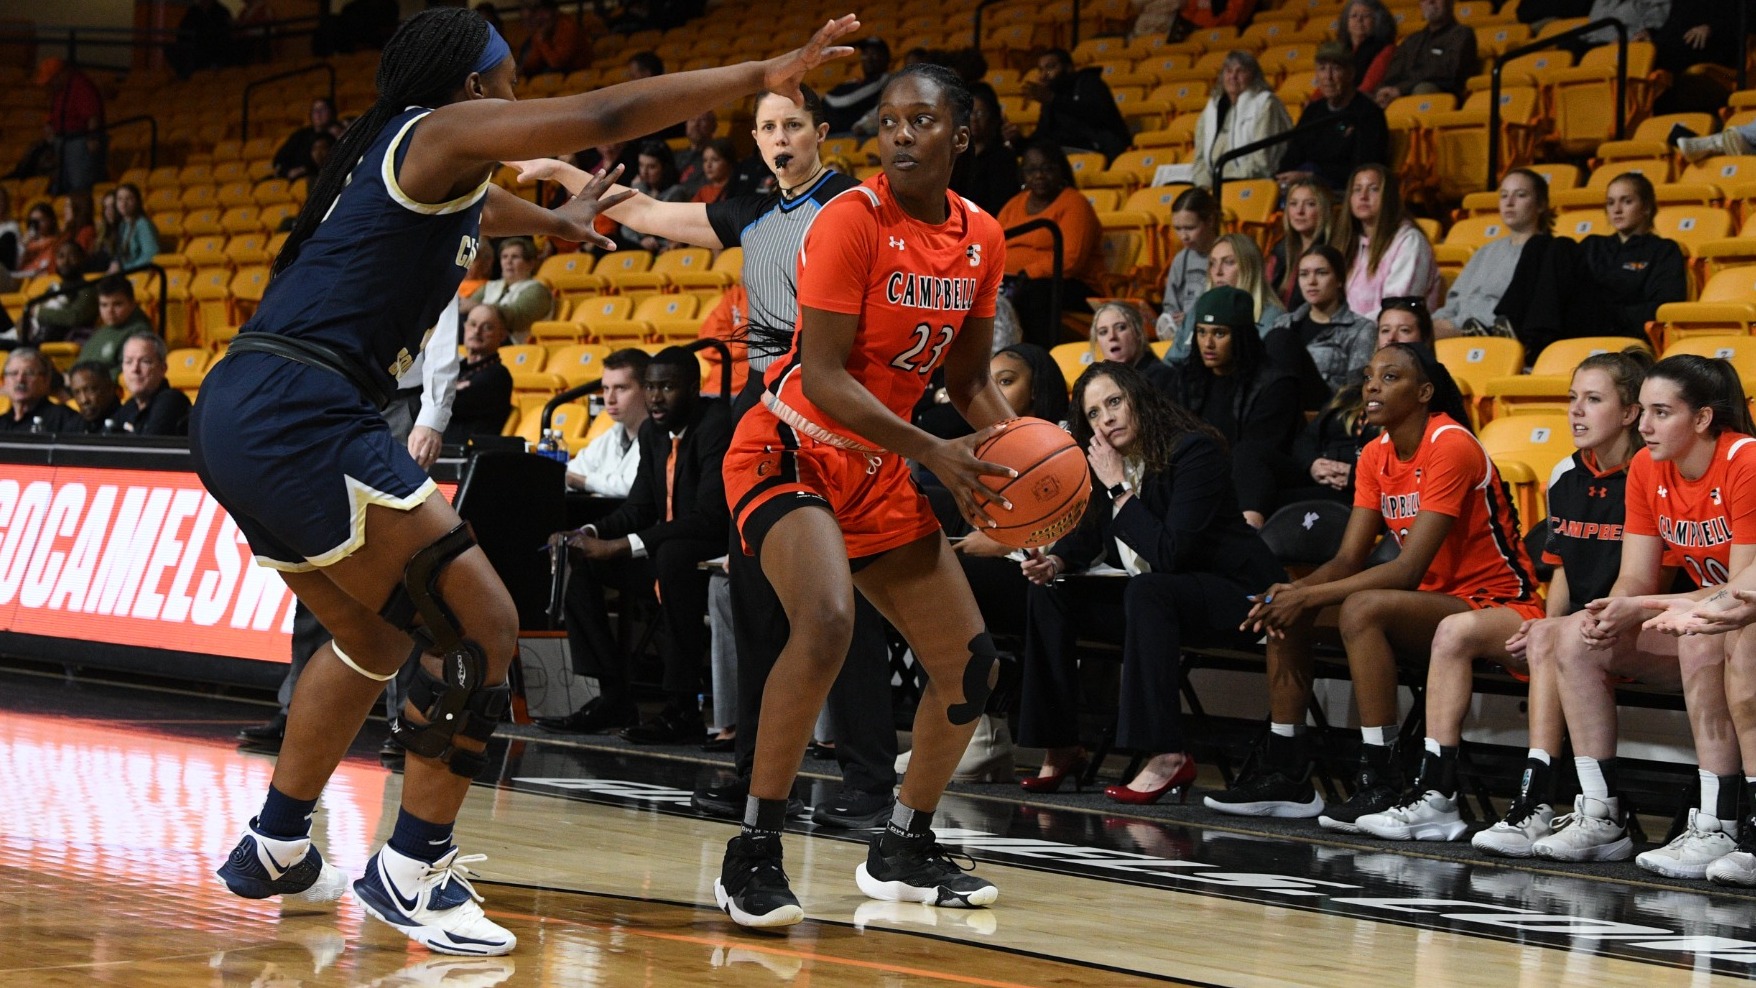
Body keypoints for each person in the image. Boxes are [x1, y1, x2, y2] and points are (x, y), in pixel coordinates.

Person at [188, 6, 858, 957]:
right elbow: (606, 112)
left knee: (373, 638)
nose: (516, 87)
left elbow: (482, 211)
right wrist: (763, 71)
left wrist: (556, 221)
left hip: (240, 407)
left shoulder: (401, 152)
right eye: (506, 73)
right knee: (481, 628)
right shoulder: (442, 128)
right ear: (472, 86)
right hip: (304, 407)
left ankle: (277, 843)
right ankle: (413, 867)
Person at [514, 81, 904, 834]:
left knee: (842, 603)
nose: (780, 138)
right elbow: (647, 212)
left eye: (793, 124)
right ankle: (757, 775)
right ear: (755, 140)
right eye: (768, 127)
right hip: (763, 416)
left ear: (821, 132)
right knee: (754, 607)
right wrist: (564, 174)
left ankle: (868, 782)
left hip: (836, 412)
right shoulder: (751, 212)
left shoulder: (853, 205)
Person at [713, 64, 1010, 929]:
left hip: (879, 465)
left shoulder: (984, 237)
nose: (902, 134)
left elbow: (969, 383)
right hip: (789, 446)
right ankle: (754, 850)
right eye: (888, 121)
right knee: (827, 622)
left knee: (971, 666)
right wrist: (935, 453)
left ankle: (903, 845)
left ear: (962, 136)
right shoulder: (850, 218)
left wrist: (1025, 463)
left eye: (922, 120)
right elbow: (825, 377)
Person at [1207, 343, 1540, 830]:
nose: (1371, 387)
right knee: (1287, 607)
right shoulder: (1374, 454)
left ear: (1423, 392)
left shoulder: (1450, 444)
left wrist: (1308, 593)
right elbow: (1347, 559)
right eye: (1368, 377)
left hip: (1498, 604)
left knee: (1360, 608)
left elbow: (1406, 570)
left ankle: (1381, 779)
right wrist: (1293, 593)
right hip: (1429, 605)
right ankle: (1285, 771)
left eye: (1390, 377)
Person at [1354, 349, 1650, 850]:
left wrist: (1559, 629)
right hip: (1573, 625)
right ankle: (1437, 794)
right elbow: (1561, 572)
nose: (1576, 410)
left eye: (1593, 400)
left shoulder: (1648, 474)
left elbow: (1647, 580)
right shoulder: (1565, 474)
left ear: (1628, 413)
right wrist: (1548, 623)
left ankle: (1546, 802)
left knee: (1557, 639)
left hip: (1632, 625)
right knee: (1467, 632)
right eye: (1572, 398)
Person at [1018, 360, 1285, 802]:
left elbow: (1171, 553)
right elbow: (1091, 532)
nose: (1107, 418)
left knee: (1148, 590)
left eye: (1114, 402)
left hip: (1241, 596)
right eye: (1094, 413)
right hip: (1161, 602)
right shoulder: (1110, 463)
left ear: (1138, 399)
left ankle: (1167, 755)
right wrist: (1057, 562)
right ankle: (1061, 744)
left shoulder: (1194, 451)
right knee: (1051, 595)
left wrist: (1118, 487)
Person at [1535, 355, 1754, 877]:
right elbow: (1636, 577)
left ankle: (1722, 824)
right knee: (1576, 638)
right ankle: (1600, 816)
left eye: (1661, 412)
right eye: (1644, 411)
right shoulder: (1646, 467)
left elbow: (1743, 589)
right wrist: (1617, 608)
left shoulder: (1744, 460)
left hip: (1739, 614)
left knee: (1705, 635)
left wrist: (1663, 606)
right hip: (1715, 615)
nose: (1646, 425)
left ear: (1701, 418)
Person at [544, 348, 731, 744]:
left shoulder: (716, 425)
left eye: (667, 387)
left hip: (714, 551)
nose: (656, 398)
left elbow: (710, 518)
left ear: (693, 389)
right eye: (650, 387)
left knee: (673, 556)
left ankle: (683, 710)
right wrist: (588, 532)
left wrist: (623, 546)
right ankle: (612, 696)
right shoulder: (653, 432)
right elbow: (641, 507)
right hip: (668, 550)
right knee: (582, 560)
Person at [1172, 287, 1305, 526]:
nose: (1208, 343)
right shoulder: (1188, 379)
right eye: (1201, 332)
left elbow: (1256, 457)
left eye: (1219, 333)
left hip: (1257, 489)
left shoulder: (1274, 384)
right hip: (1198, 481)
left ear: (1241, 335)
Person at [1432, 167, 1580, 358]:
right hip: (1455, 328)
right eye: (1504, 195)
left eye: (1520, 195)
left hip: (1489, 335)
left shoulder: (1547, 256)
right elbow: (1454, 302)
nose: (1509, 202)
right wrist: (1432, 324)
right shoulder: (1485, 250)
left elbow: (1514, 315)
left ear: (1541, 205)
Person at [997, 142, 1104, 348]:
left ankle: (1037, 356)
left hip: (1071, 285)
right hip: (1012, 282)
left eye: (1047, 168)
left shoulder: (1075, 203)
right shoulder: (1014, 204)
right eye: (1031, 170)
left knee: (1033, 294)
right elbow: (994, 244)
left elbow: (1071, 260)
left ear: (1060, 170)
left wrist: (1028, 273)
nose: (1039, 175)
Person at [1577, 172, 1688, 342]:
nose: (1617, 210)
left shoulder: (1664, 250)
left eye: (1627, 201)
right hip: (1582, 333)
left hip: (1631, 337)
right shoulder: (1591, 245)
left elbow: (1664, 306)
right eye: (1610, 202)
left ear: (1646, 207)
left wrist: (1609, 315)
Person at [1277, 44, 1390, 193]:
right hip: (1304, 189)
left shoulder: (1368, 114)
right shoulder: (1313, 111)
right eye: (1322, 69)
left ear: (1350, 74)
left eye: (1336, 69)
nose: (1328, 77)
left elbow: (1364, 169)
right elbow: (1292, 155)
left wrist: (1311, 176)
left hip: (1343, 191)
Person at [1270, 243, 1376, 398]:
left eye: (1321, 273)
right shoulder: (1284, 323)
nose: (1311, 281)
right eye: (1304, 274)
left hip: (1325, 406)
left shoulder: (1361, 329)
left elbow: (1356, 390)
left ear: (1339, 280)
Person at [1336, 163, 1440, 320]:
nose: (1363, 196)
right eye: (1357, 189)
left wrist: (1349, 328)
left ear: (1389, 196)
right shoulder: (1349, 242)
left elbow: (1398, 306)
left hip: (1390, 332)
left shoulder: (1410, 241)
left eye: (1373, 189)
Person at [1190, 51, 1293, 187]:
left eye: (1240, 71)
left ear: (1254, 76)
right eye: (1228, 71)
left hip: (1252, 184)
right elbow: (1200, 159)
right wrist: (1204, 186)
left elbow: (1262, 161)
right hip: (1214, 185)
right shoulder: (1212, 107)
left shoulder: (1265, 104)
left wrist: (1223, 183)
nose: (1233, 76)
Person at [1011, 49, 1130, 163]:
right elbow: (1043, 135)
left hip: (1099, 152)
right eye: (1041, 70)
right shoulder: (1050, 97)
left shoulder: (1089, 82)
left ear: (1068, 68)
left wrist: (1053, 99)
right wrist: (1018, 141)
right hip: (1064, 153)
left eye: (1050, 67)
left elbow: (1097, 115)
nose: (1043, 75)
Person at [564, 347, 648, 495]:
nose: (609, 399)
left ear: (647, 389)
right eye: (606, 389)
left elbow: (636, 487)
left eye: (620, 388)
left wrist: (586, 482)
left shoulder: (664, 438)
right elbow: (569, 474)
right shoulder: (610, 436)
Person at [1374, 0, 1478, 106]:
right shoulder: (1412, 40)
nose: (1430, 1)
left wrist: (1402, 89)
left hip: (1441, 95)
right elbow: (1392, 74)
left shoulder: (1461, 34)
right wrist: (1384, 91)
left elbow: (1445, 73)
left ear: (1450, 2)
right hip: (1403, 93)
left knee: (1423, 89)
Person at [1155, 187, 1223, 342]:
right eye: (1178, 229)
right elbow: (1170, 306)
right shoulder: (1181, 259)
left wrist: (1194, 318)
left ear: (1210, 221)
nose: (1183, 236)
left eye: (1190, 228)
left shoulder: (1229, 255)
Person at [442, 303, 513, 443]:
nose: (476, 331)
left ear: (502, 335)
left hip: (470, 451)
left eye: (487, 327)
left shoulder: (499, 376)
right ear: (464, 327)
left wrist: (443, 389)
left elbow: (448, 404)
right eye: (472, 324)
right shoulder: (456, 368)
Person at [464, 236, 552, 343]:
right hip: (482, 338)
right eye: (504, 257)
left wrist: (477, 307)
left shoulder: (538, 290)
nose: (508, 261)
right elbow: (465, 307)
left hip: (515, 344)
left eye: (515, 257)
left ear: (531, 263)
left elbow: (516, 317)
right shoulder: (490, 286)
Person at [949, 82, 1019, 217]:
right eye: (970, 113)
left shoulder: (1003, 158)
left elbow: (1001, 203)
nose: (974, 119)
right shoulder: (956, 155)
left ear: (993, 117)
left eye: (980, 113)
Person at [37, 58, 105, 194]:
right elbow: (54, 112)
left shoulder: (81, 86)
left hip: (78, 141)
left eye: (52, 80)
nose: (50, 84)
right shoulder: (59, 90)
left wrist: (92, 138)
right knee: (63, 184)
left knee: (78, 183)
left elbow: (92, 115)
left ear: (61, 74)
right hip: (62, 140)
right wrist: (49, 125)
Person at [1266, 178, 1335, 306]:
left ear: (1324, 210)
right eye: (1293, 204)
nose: (1299, 211)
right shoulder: (1280, 250)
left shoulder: (1332, 251)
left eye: (1310, 204)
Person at [115, 332, 192, 437]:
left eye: (145, 362)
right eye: (128, 362)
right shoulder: (130, 406)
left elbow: (146, 445)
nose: (135, 369)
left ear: (163, 368)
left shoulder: (172, 401)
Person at [1091, 301, 1175, 392]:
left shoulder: (1162, 377)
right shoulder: (1099, 384)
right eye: (1103, 332)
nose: (1112, 336)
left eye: (1121, 328)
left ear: (1138, 332)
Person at [79, 274, 155, 374]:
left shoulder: (139, 333)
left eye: (117, 304)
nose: (110, 311)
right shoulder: (101, 331)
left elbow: (128, 371)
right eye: (104, 305)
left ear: (132, 304)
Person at [27, 240, 98, 344]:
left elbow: (75, 317)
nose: (65, 261)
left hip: (59, 341)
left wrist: (38, 312)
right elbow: (33, 309)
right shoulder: (53, 288)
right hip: (33, 336)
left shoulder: (88, 290)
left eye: (71, 256)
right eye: (61, 256)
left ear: (82, 259)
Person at [0, 347, 81, 433]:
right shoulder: (2, 423)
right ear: (4, 381)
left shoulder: (64, 418)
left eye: (29, 373)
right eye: (13, 373)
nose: (20, 379)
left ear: (46, 380)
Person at [824, 37, 891, 134]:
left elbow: (846, 100)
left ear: (886, 58)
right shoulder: (857, 81)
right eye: (865, 54)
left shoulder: (888, 81)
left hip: (850, 134)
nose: (868, 59)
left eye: (874, 54)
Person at [273, 98, 347, 181]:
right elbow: (280, 158)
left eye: (323, 109)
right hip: (298, 179)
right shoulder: (301, 134)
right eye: (315, 110)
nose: (318, 114)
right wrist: (288, 172)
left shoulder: (339, 132)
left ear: (332, 112)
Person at [1337, 0, 1397, 96]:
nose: (1359, 20)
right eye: (1354, 16)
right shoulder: (1340, 50)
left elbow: (1368, 86)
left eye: (1366, 16)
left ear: (1378, 21)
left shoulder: (1386, 49)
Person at [518, 0, 591, 76]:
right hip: (558, 71)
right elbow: (534, 60)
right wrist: (521, 69)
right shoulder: (541, 30)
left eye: (545, 12)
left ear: (555, 12)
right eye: (538, 12)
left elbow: (557, 63)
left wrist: (542, 41)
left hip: (577, 73)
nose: (541, 17)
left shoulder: (567, 27)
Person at [106, 183, 160, 274]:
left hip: (138, 274)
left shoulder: (143, 224)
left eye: (129, 199)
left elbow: (151, 255)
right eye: (120, 199)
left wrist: (124, 269)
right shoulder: (122, 225)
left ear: (137, 201)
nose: (123, 203)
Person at [66, 360, 121, 434]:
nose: (84, 400)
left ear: (109, 388)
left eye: (90, 390)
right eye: (77, 393)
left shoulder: (127, 423)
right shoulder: (73, 428)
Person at [674, 110, 720, 195]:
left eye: (702, 120)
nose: (695, 124)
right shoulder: (676, 157)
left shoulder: (719, 158)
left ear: (714, 126)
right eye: (692, 120)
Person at [14, 202, 61, 279]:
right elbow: (14, 267)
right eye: (34, 221)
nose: (37, 225)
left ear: (51, 221)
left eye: (42, 220)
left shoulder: (58, 243)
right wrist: (22, 246)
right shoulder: (25, 245)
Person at [688, 138, 735, 204]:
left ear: (729, 162)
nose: (708, 165)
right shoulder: (703, 192)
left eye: (715, 160)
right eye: (705, 160)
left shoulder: (738, 189)